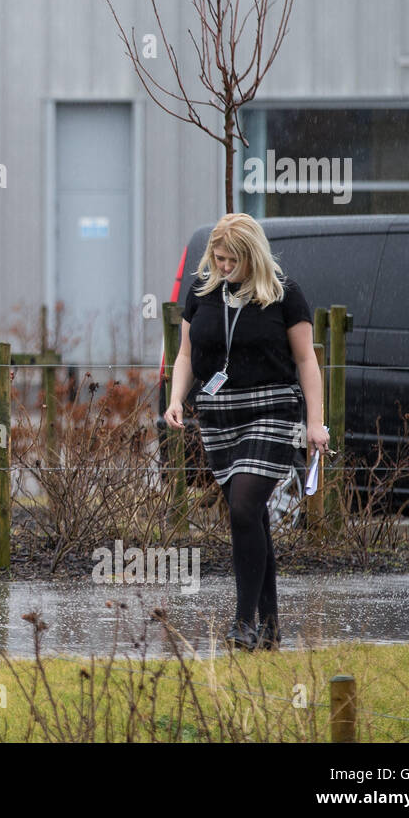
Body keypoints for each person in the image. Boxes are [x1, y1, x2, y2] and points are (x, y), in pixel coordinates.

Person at [164, 213, 328, 650]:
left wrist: (315, 423)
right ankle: (271, 629)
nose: (222, 267)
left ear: (252, 256)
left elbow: (308, 361)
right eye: (217, 258)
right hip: (219, 416)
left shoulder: (284, 295)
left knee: (243, 505)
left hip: (272, 410)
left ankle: (243, 623)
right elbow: (185, 355)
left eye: (231, 260)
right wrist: (176, 398)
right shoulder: (203, 293)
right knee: (251, 516)